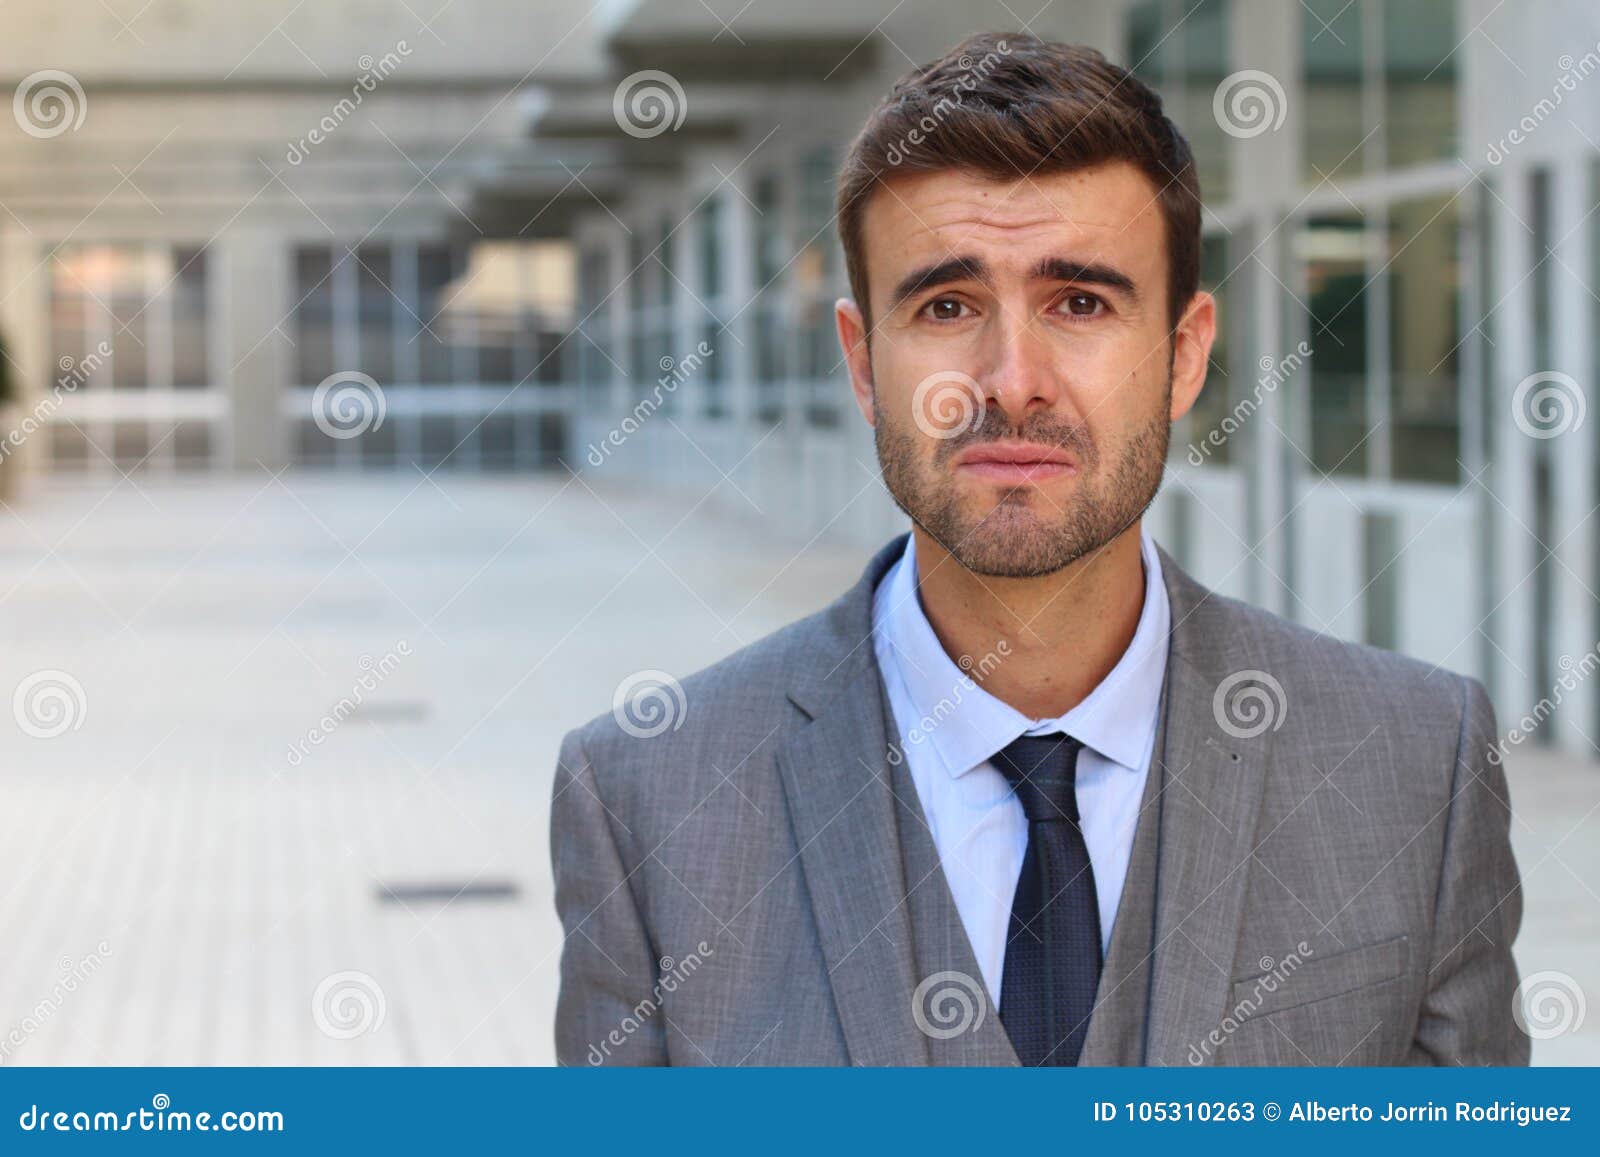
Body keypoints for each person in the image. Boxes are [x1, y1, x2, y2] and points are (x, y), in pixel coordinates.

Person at [550, 31, 1528, 1066]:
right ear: (863, 364)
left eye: (1080, 302)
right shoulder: (647, 801)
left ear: (1185, 354)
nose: (1012, 380)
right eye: (947, 305)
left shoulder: (1415, 764)